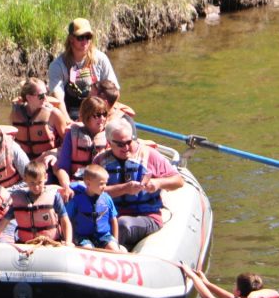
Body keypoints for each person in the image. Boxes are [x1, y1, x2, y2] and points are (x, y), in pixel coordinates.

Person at [93, 119, 184, 249]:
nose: (125, 148)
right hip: (112, 216)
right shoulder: (100, 161)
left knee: (123, 225)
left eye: (128, 142)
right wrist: (124, 188)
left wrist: (157, 183)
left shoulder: (149, 155)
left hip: (147, 217)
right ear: (109, 143)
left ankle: (112, 254)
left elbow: (178, 181)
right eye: (119, 144)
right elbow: (92, 191)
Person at [0, 161, 72, 244]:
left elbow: (64, 220)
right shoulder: (18, 199)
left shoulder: (54, 196)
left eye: (39, 182)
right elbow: (3, 223)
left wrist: (68, 242)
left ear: (46, 177)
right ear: (25, 179)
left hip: (50, 243)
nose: (36, 187)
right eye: (32, 183)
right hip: (26, 244)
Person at [48, 18, 120, 118]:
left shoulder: (101, 59)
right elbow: (57, 98)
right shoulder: (57, 66)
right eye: (80, 37)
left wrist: (104, 116)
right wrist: (68, 122)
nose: (85, 41)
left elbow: (114, 92)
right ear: (71, 39)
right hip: (70, 112)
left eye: (88, 37)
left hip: (97, 112)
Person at [54, 97, 110, 200]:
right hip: (77, 185)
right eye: (97, 115)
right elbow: (62, 168)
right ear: (87, 116)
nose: (102, 119)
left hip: (101, 186)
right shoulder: (72, 135)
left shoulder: (110, 135)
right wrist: (66, 187)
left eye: (104, 114)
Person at [9, 78, 70, 162]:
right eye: (41, 96)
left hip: (46, 162)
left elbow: (68, 142)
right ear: (29, 97)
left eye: (46, 94)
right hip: (24, 163)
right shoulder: (15, 114)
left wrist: (56, 152)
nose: (45, 98)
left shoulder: (54, 114)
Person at [65, 163, 122, 252]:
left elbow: (113, 220)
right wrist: (69, 240)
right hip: (83, 236)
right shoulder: (77, 200)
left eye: (106, 183)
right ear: (88, 183)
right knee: (88, 249)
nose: (105, 187)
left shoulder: (106, 198)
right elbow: (67, 219)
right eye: (101, 184)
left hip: (103, 236)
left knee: (113, 248)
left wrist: (116, 240)